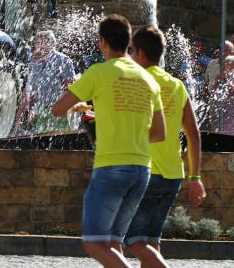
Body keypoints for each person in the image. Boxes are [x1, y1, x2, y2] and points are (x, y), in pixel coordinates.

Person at [51, 14, 165, 268]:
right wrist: (130, 133)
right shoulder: (148, 79)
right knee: (113, 242)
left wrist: (77, 104)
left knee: (94, 243)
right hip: (142, 169)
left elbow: (57, 109)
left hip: (111, 167)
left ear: (103, 42)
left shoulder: (98, 73)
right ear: (128, 43)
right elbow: (160, 133)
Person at [124, 25, 206, 267]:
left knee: (131, 239)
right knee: (152, 241)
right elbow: (194, 135)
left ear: (139, 52)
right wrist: (195, 176)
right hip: (173, 176)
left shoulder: (138, 82)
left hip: (147, 173)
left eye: (132, 51)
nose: (130, 56)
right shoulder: (178, 86)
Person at [15, 31, 76, 134]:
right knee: (41, 142)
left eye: (40, 43)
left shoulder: (63, 60)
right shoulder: (37, 63)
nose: (37, 46)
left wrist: (62, 108)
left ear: (50, 43)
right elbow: (32, 90)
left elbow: (70, 87)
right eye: (37, 43)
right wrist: (31, 110)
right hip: (40, 113)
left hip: (59, 111)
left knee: (60, 141)